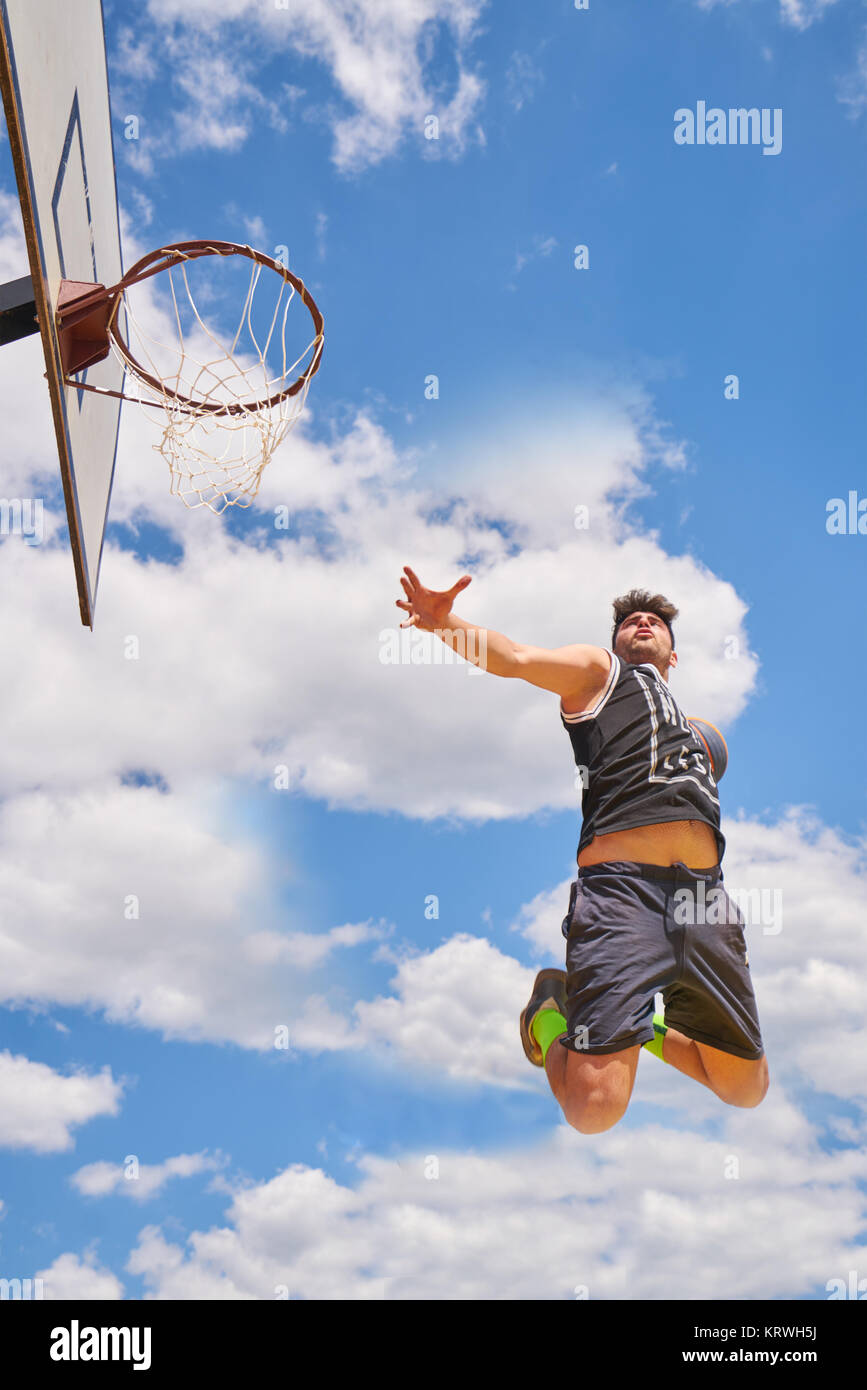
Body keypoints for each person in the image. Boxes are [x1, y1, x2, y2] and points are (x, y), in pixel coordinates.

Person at [395, 566, 768, 1134]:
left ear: (673, 655)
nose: (643, 623)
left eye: (657, 622)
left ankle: (645, 1027)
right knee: (593, 1112)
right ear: (618, 639)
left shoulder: (700, 735)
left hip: (705, 903)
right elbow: (516, 658)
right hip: (625, 895)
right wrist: (446, 625)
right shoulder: (601, 674)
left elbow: (701, 755)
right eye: (630, 621)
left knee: (745, 1089)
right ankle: (549, 1015)